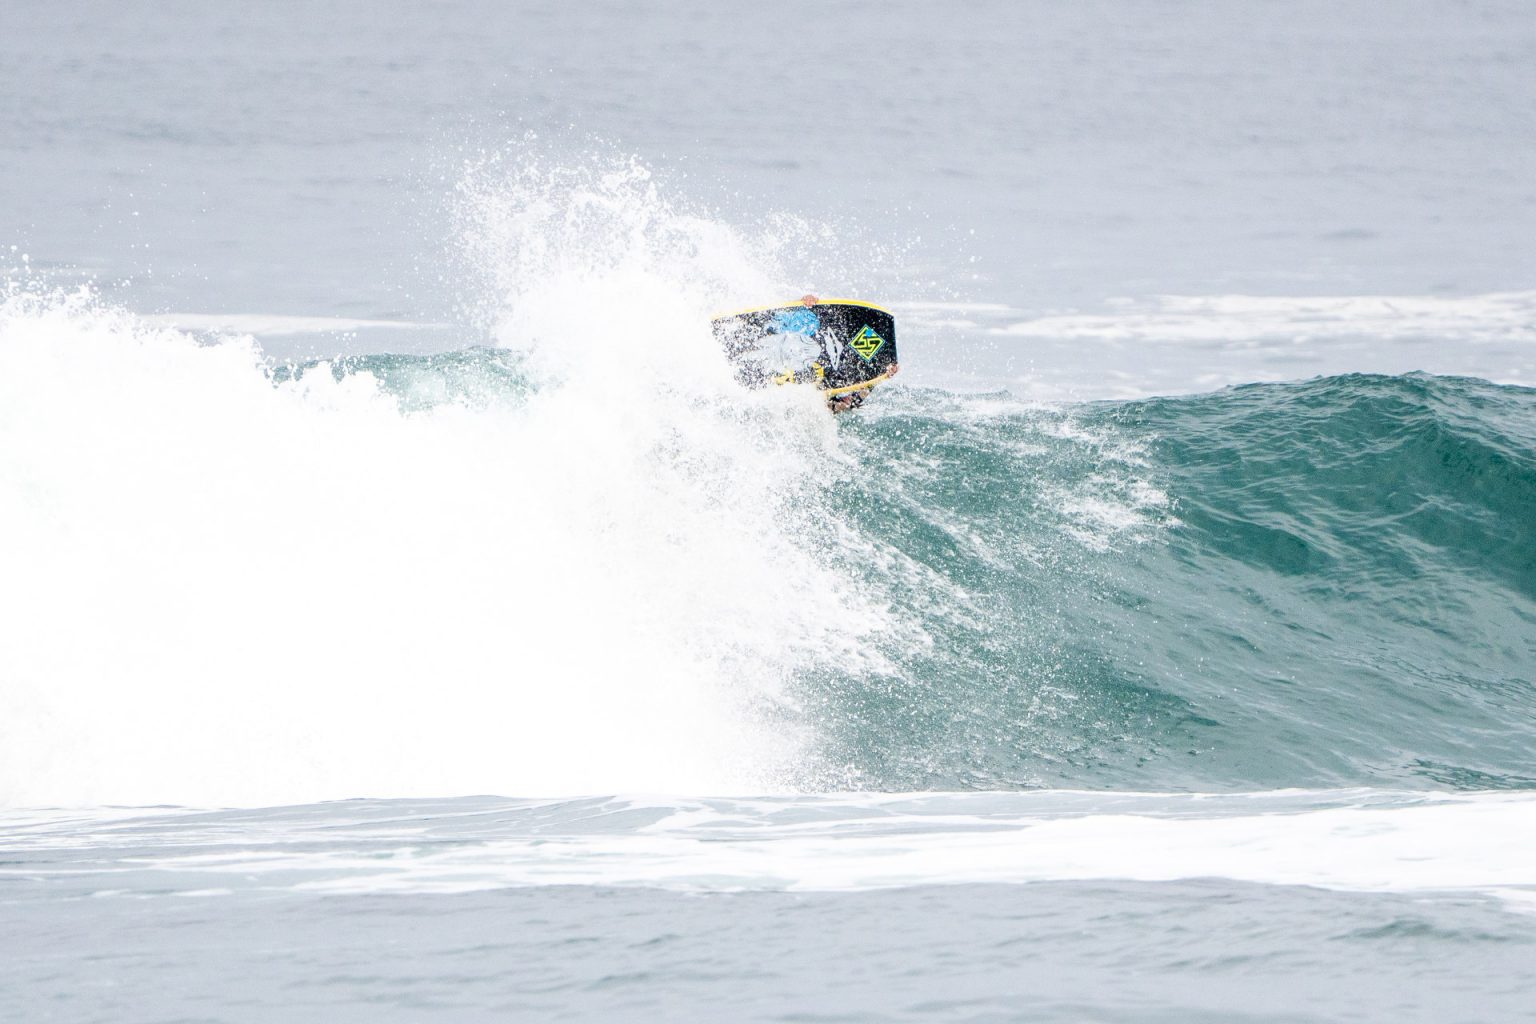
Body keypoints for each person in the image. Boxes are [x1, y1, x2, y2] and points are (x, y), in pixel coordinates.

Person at [798, 294, 900, 413]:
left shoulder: (819, 401)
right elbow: (867, 382)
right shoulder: (849, 386)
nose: (846, 401)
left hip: (825, 373)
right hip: (834, 364)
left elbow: (853, 398)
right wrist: (884, 369)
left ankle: (808, 309)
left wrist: (884, 371)